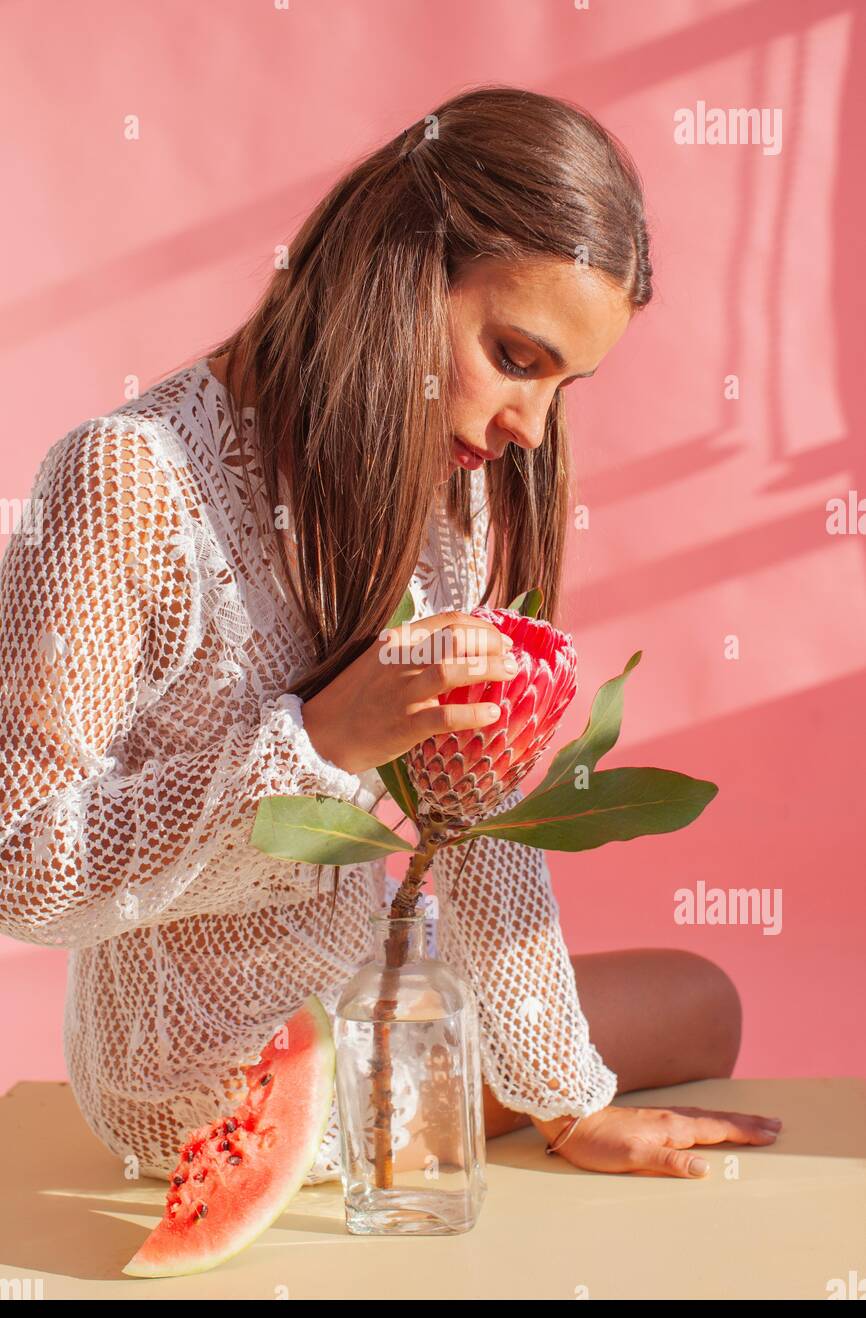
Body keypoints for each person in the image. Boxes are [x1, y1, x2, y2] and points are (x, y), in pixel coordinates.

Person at [0, 85, 780, 1186]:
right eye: (516, 356)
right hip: (201, 1087)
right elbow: (20, 864)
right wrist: (317, 741)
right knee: (660, 1017)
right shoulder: (125, 481)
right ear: (398, 269)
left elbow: (476, 818)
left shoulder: (440, 483)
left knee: (705, 1004)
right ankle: (416, 1101)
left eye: (562, 385)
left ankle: (473, 1080)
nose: (530, 430)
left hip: (375, 989)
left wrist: (567, 1101)